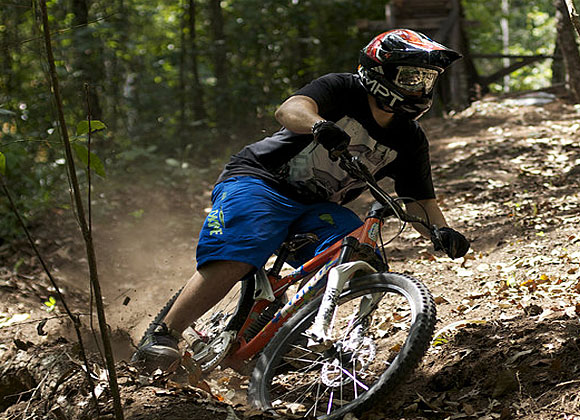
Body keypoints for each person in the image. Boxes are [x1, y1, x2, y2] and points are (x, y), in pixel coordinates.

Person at [133, 29, 470, 368]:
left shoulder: (410, 139)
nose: (420, 88)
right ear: (380, 72)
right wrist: (318, 125)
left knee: (359, 259)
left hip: (317, 208)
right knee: (241, 251)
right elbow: (290, 109)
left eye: (427, 79)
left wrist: (442, 233)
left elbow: (421, 203)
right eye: (411, 78)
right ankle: (164, 335)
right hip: (260, 180)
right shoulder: (342, 88)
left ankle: (285, 334)